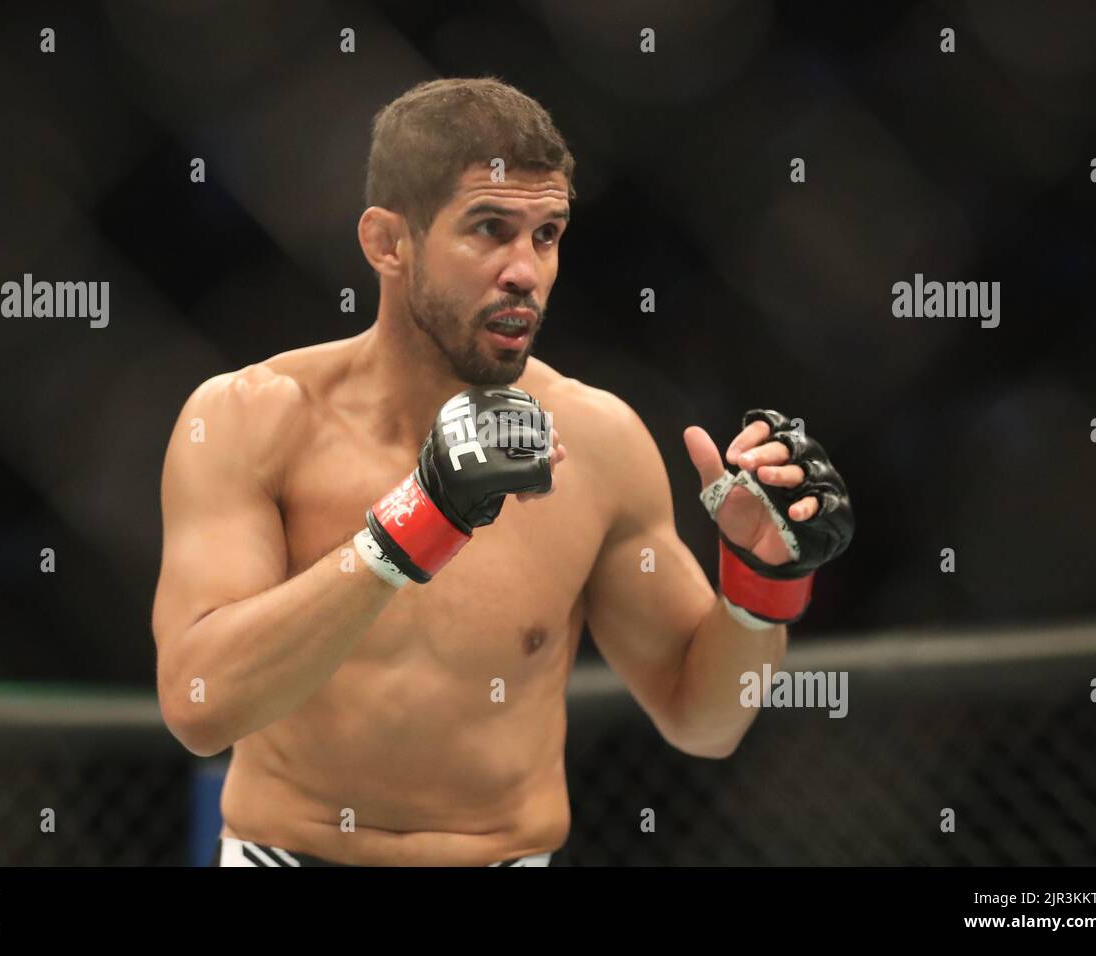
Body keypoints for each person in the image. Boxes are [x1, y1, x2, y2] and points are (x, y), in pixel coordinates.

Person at [151, 76, 854, 867]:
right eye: (489, 229)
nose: (525, 270)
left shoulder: (599, 440)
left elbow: (705, 721)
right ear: (388, 242)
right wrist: (416, 524)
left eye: (546, 234)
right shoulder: (251, 418)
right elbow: (197, 705)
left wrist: (762, 585)